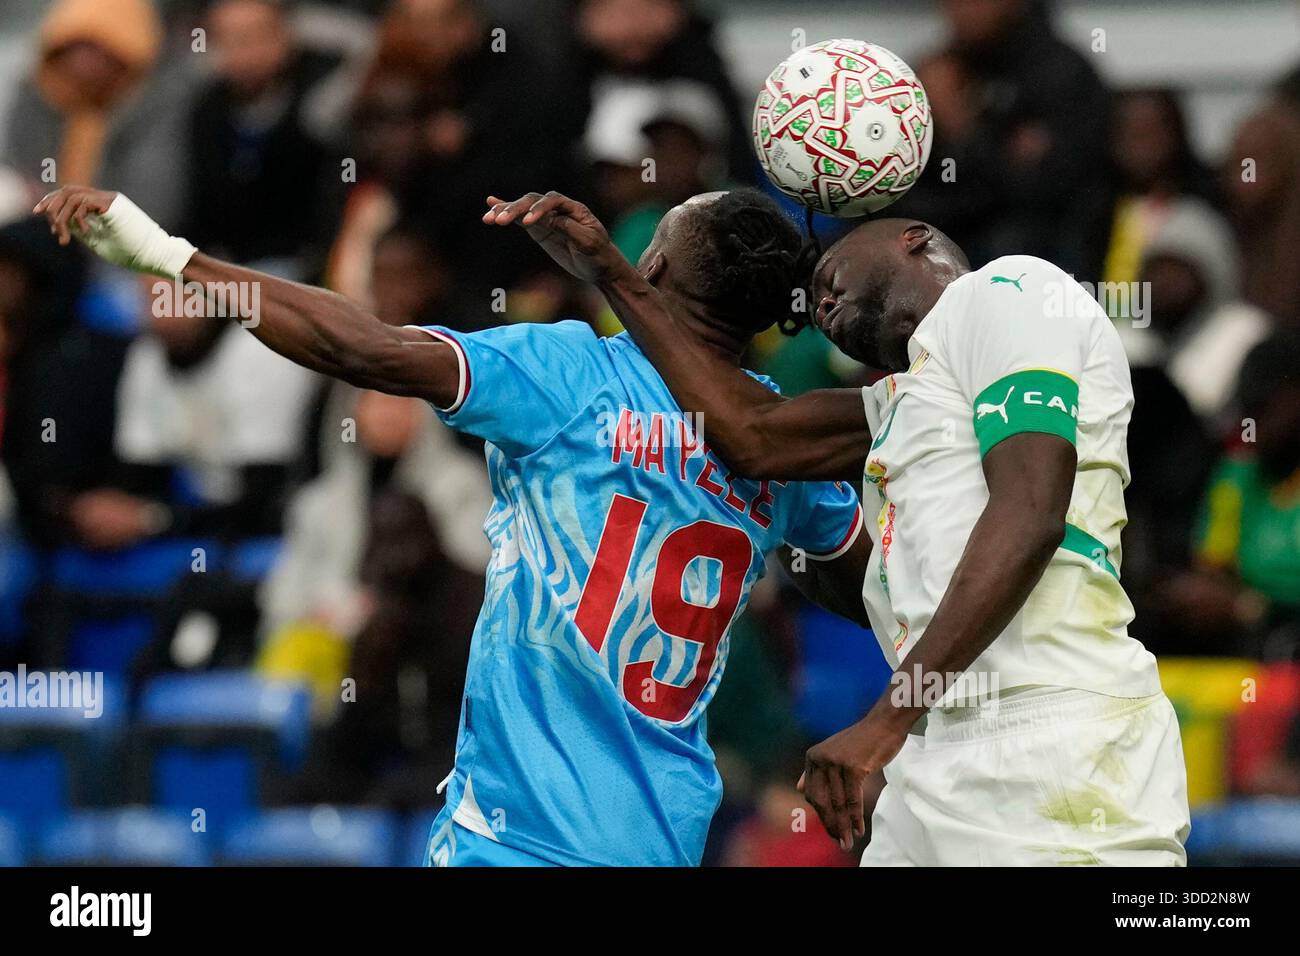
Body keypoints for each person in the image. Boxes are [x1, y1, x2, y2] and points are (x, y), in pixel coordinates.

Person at [34, 183, 869, 867]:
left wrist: (173, 259)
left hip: (521, 833)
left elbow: (363, 348)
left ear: (649, 269)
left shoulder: (570, 373)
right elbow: (867, 588)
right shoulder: (779, 434)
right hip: (661, 834)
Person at [478, 189, 1192, 866]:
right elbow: (752, 436)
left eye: (831, 271)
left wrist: (884, 721)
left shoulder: (1008, 293)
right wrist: (615, 274)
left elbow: (1030, 512)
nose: (818, 302)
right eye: (809, 303)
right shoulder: (908, 403)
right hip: (937, 754)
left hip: (1053, 735)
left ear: (915, 240)